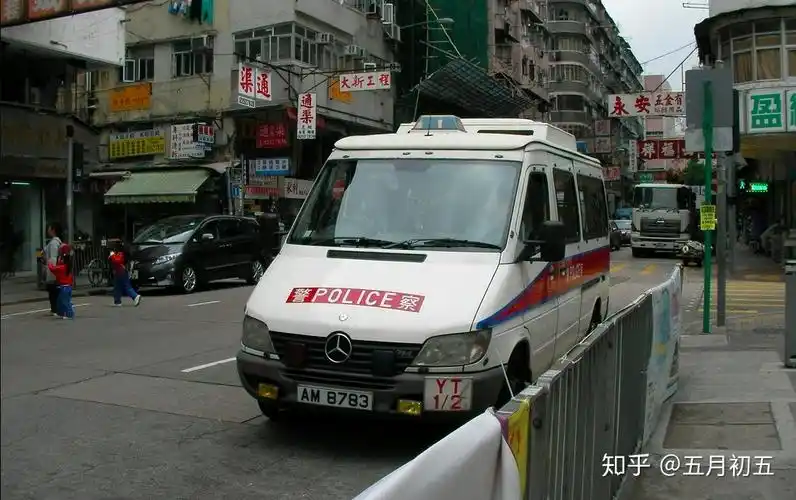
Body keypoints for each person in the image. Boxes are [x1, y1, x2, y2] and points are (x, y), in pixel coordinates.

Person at [44, 244, 75, 319]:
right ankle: (64, 313)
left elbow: (53, 269)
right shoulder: (67, 266)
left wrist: (49, 263)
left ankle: (69, 314)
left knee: (64, 301)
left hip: (64, 287)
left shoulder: (62, 267)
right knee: (62, 301)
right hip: (67, 286)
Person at [43, 222, 63, 317]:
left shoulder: (54, 243)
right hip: (54, 269)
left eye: (49, 228)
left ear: (53, 230)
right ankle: (55, 308)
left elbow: (53, 257)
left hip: (53, 269)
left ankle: (55, 309)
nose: (48, 230)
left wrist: (52, 269)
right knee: (54, 289)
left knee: (52, 290)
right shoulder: (56, 242)